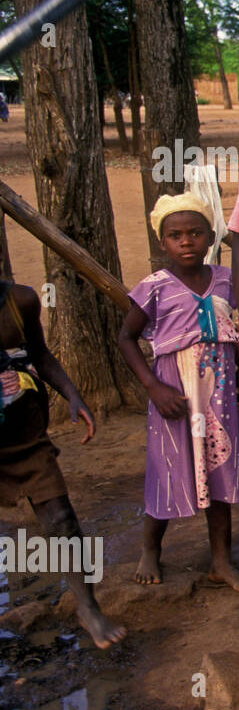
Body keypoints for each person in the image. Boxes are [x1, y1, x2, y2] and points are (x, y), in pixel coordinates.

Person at [117, 194, 239, 592]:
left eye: (195, 233)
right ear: (162, 242)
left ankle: (221, 561)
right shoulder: (154, 287)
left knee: (221, 468)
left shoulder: (227, 279)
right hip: (173, 393)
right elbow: (126, 337)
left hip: (219, 395)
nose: (186, 241)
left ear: (211, 236)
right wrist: (153, 387)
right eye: (175, 235)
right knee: (168, 466)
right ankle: (150, 549)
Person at [1, 278, 125, 649]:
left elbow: (39, 353)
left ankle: (87, 607)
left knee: (61, 519)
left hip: (23, 431)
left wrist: (73, 395)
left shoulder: (18, 300)